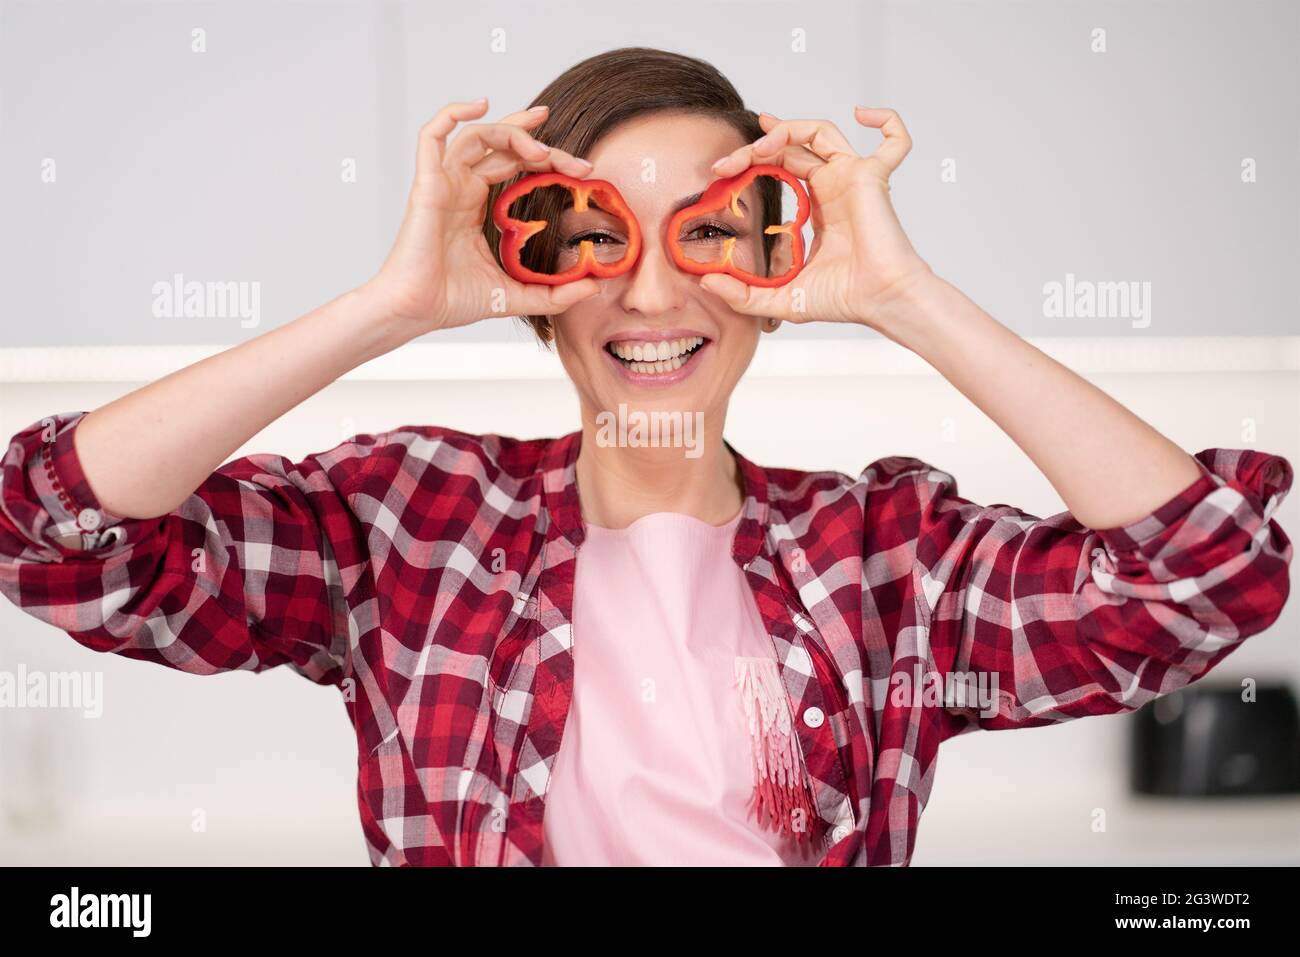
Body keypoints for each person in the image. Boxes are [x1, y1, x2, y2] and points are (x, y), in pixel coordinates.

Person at [0, 47, 1292, 866]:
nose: (658, 293)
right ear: (531, 271)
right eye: (599, 235)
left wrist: (904, 293)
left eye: (716, 233)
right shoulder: (413, 520)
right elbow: (50, 528)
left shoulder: (887, 553)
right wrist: (390, 302)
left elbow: (1203, 576)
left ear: (782, 265)